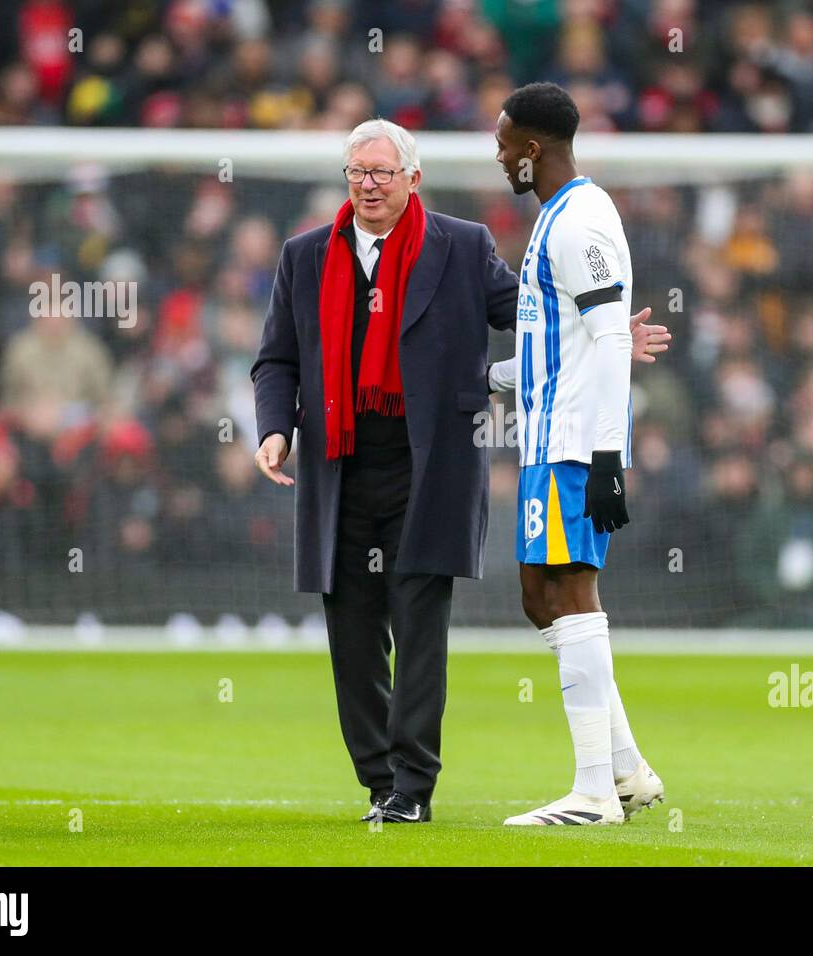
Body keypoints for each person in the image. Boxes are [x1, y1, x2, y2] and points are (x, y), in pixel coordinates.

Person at [250, 118, 668, 824]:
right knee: (352, 634)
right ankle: (379, 778)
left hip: (430, 467)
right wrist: (272, 429)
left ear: (413, 179)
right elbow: (277, 358)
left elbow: (530, 315)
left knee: (419, 629)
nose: (368, 185)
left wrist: (604, 331)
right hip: (339, 468)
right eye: (357, 172)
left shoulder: (463, 246)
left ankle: (412, 790)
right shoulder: (306, 257)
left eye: (382, 173)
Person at [488, 83, 663, 826]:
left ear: (533, 148)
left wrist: (607, 459)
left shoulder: (578, 220)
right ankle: (627, 771)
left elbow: (613, 337)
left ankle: (594, 792)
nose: (498, 158)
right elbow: (559, 343)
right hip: (546, 437)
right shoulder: (557, 219)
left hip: (571, 444)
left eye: (504, 144)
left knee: (569, 590)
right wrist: (478, 379)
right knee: (539, 597)